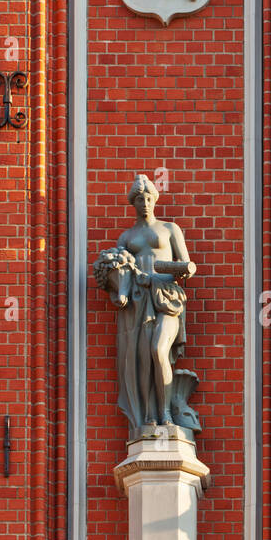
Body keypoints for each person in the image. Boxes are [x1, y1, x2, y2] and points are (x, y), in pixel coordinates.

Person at [95, 174, 201, 438]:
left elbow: (187, 265)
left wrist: (165, 271)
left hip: (167, 297)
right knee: (142, 360)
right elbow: (115, 268)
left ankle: (165, 413)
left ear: (155, 199)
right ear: (134, 202)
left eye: (148, 198)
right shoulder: (127, 237)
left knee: (158, 350)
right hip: (139, 301)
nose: (144, 203)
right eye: (139, 199)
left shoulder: (169, 229)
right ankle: (149, 415)